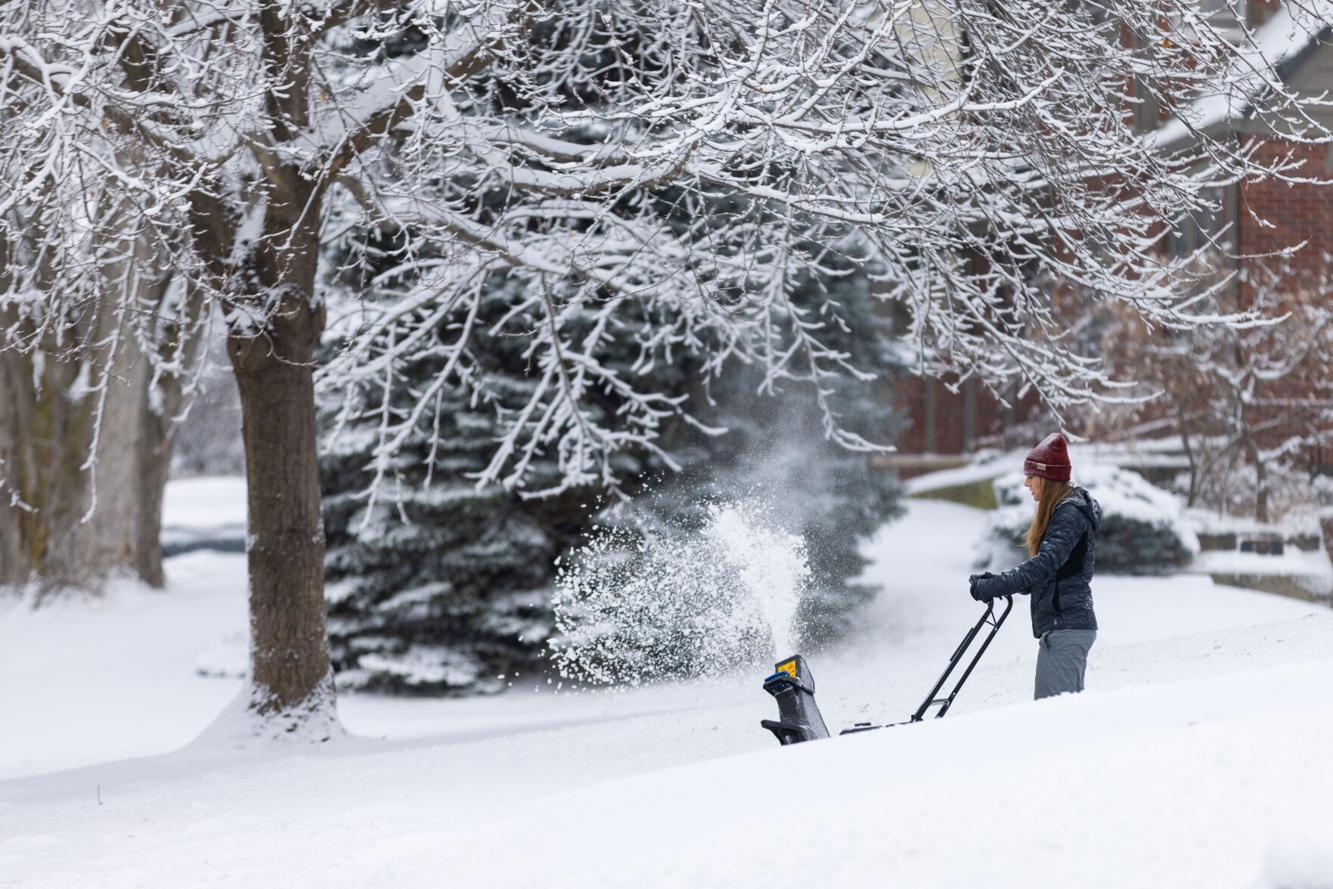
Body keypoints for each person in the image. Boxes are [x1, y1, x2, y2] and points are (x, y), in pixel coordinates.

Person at [969, 433, 1100, 700]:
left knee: (1053, 716)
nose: (1026, 482)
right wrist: (998, 580)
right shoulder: (1063, 511)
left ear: (1047, 477)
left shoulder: (1069, 513)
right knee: (1059, 714)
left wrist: (998, 585)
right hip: (1065, 627)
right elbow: (1050, 571)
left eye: (1031, 476)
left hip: (1067, 627)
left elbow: (1045, 564)